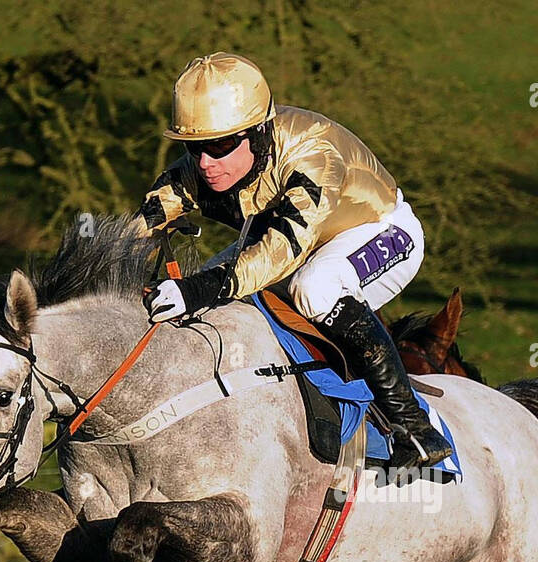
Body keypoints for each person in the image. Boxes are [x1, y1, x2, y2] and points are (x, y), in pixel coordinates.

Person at [136, 52, 453, 472]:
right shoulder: (204, 164)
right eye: (195, 149)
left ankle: (412, 424)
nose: (206, 164)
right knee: (204, 298)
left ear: (260, 132)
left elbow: (282, 250)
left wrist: (201, 289)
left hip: (379, 231)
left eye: (221, 145)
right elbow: (144, 224)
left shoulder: (313, 154)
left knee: (314, 287)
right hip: (299, 242)